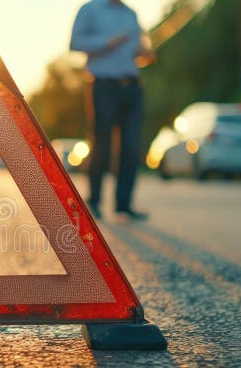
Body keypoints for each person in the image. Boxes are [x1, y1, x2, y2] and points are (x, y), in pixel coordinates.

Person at [70, 0, 155, 220]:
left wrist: (143, 53)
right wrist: (108, 42)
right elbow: (75, 43)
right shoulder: (90, 9)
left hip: (133, 86)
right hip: (103, 86)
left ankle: (124, 204)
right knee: (101, 144)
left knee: (131, 145)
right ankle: (95, 201)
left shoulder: (131, 14)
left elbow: (135, 52)